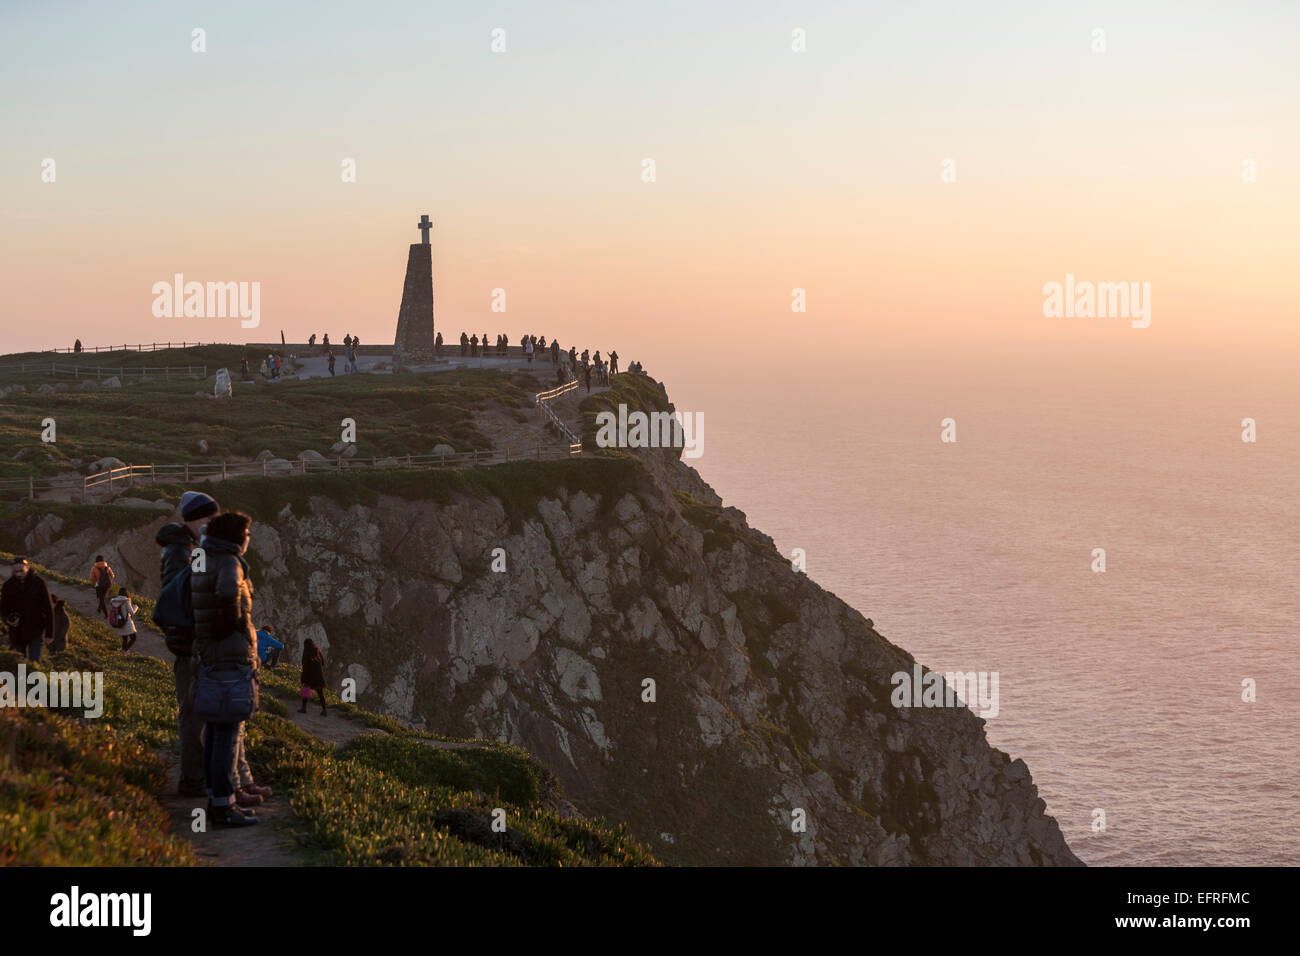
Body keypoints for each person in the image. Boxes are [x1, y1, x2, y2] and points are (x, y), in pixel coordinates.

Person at [191, 510, 260, 828]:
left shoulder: (202, 557)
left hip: (208, 652)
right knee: (228, 733)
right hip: (229, 655)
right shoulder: (230, 563)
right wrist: (234, 630)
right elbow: (229, 595)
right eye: (246, 534)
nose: (248, 539)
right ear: (235, 537)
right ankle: (224, 805)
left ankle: (216, 798)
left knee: (217, 730)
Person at [157, 490, 219, 798]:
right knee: (193, 713)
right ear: (195, 520)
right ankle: (193, 780)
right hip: (188, 648)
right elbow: (172, 600)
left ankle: (199, 775)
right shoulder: (179, 553)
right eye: (208, 518)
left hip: (190, 645)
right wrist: (186, 638)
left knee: (198, 711)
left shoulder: (184, 549)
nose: (212, 523)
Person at [1, 556, 53, 663]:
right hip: (16, 633)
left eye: (21, 571)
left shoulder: (39, 583)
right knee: (19, 664)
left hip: (35, 630)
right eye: (15, 571)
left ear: (27, 568)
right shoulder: (8, 586)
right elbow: (3, 608)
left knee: (34, 663)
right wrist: (7, 620)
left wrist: (49, 634)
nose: (18, 574)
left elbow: (49, 608)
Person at [300, 638, 327, 716]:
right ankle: (324, 710)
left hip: (309, 676)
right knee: (320, 694)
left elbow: (305, 667)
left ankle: (304, 708)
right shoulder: (318, 651)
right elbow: (322, 663)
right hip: (318, 676)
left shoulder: (306, 653)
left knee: (305, 691)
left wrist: (303, 678)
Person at [109, 586, 139, 654]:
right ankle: (125, 651)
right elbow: (132, 612)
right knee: (133, 638)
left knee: (125, 639)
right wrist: (135, 607)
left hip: (118, 621)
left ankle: (123, 651)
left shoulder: (114, 601)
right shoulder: (126, 601)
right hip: (126, 622)